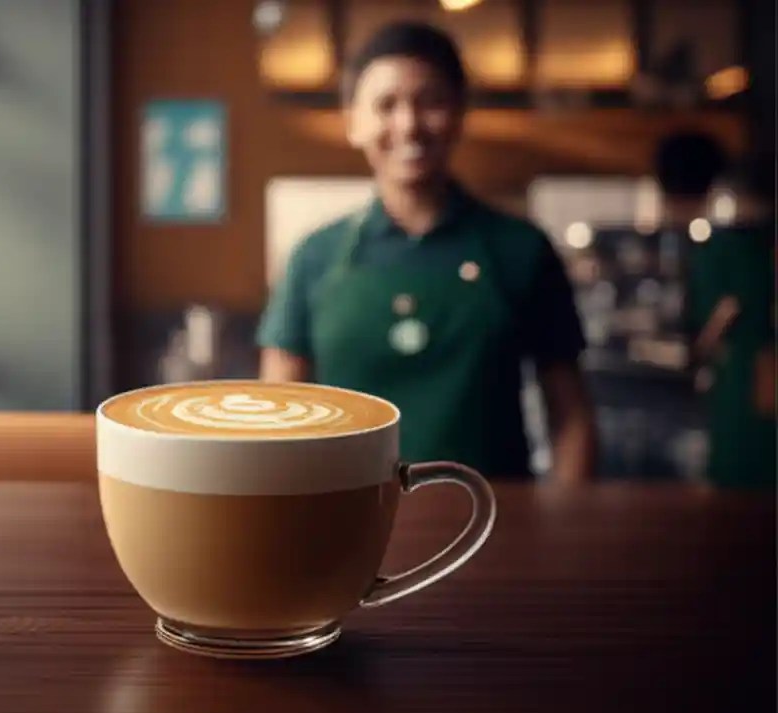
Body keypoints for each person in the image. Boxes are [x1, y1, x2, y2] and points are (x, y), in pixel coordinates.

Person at [257, 22, 597, 483]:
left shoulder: (522, 249)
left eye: (430, 101)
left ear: (459, 114)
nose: (409, 124)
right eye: (386, 105)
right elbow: (275, 425)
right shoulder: (314, 257)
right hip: (344, 528)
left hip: (495, 527)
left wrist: (562, 527)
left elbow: (571, 418)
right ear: (353, 122)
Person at [656, 132, 776, 487]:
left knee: (741, 466)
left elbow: (726, 308)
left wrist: (699, 351)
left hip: (742, 367)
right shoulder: (748, 243)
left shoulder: (725, 246)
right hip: (754, 364)